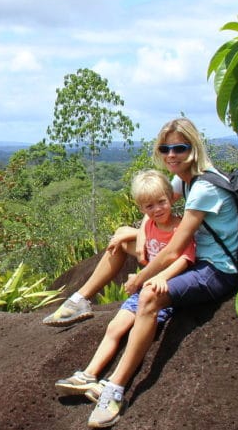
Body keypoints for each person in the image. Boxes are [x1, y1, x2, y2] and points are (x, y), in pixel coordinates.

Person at [47, 117, 238, 429]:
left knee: (150, 296)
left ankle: (114, 389)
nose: (171, 155)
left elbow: (173, 250)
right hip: (194, 262)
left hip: (215, 270)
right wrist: (133, 231)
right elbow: (155, 209)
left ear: (193, 148)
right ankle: (82, 298)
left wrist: (139, 280)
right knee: (120, 243)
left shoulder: (204, 186)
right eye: (165, 148)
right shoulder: (185, 180)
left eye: (179, 147)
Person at [55, 169, 196, 404]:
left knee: (135, 335)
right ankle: (88, 375)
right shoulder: (149, 225)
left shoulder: (180, 228)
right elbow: (139, 235)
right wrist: (125, 237)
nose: (157, 209)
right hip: (143, 289)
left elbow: (185, 258)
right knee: (114, 328)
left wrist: (163, 277)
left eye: (161, 202)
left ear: (172, 199)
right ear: (141, 209)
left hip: (162, 291)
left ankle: (110, 383)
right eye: (149, 206)